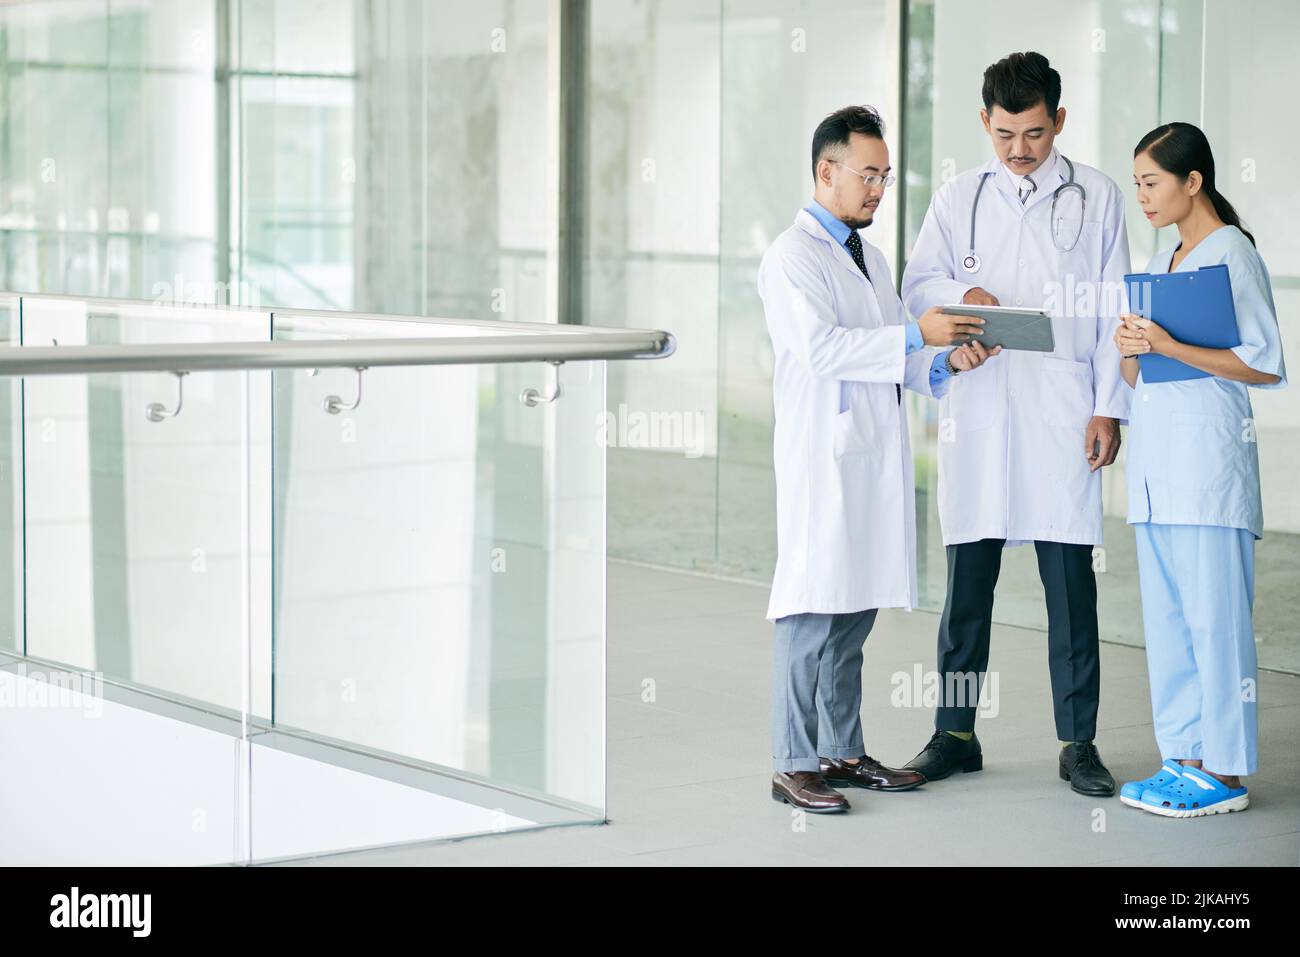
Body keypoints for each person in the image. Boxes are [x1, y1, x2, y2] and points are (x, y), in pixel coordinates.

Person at [899, 51, 1131, 796]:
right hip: (981, 409)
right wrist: (960, 291)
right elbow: (917, 285)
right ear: (984, 123)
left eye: (1033, 133)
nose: (1019, 149)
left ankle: (1079, 742)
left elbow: (1113, 309)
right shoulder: (957, 197)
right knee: (969, 586)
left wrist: (1107, 406)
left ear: (1058, 121)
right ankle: (955, 733)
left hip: (1062, 411)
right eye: (1004, 134)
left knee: (1071, 588)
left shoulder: (1097, 196)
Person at [758, 105, 998, 813]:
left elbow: (901, 353)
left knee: (855, 611)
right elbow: (825, 350)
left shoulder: (872, 257)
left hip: (867, 457)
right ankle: (792, 761)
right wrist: (912, 337)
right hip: (822, 459)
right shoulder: (790, 257)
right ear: (825, 171)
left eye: (885, 177)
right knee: (810, 610)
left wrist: (947, 358)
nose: (877, 189)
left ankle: (842, 748)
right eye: (867, 175)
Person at [1113, 122, 1286, 818]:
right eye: (1137, 185)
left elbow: (1265, 362)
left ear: (1193, 182)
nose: (1143, 196)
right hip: (1159, 478)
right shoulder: (1162, 260)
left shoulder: (1231, 255)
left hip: (1210, 474)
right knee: (1174, 626)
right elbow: (1137, 372)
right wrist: (1132, 345)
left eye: (1152, 182)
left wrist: (1170, 344)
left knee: (1216, 626)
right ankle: (1182, 760)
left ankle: (1225, 770)